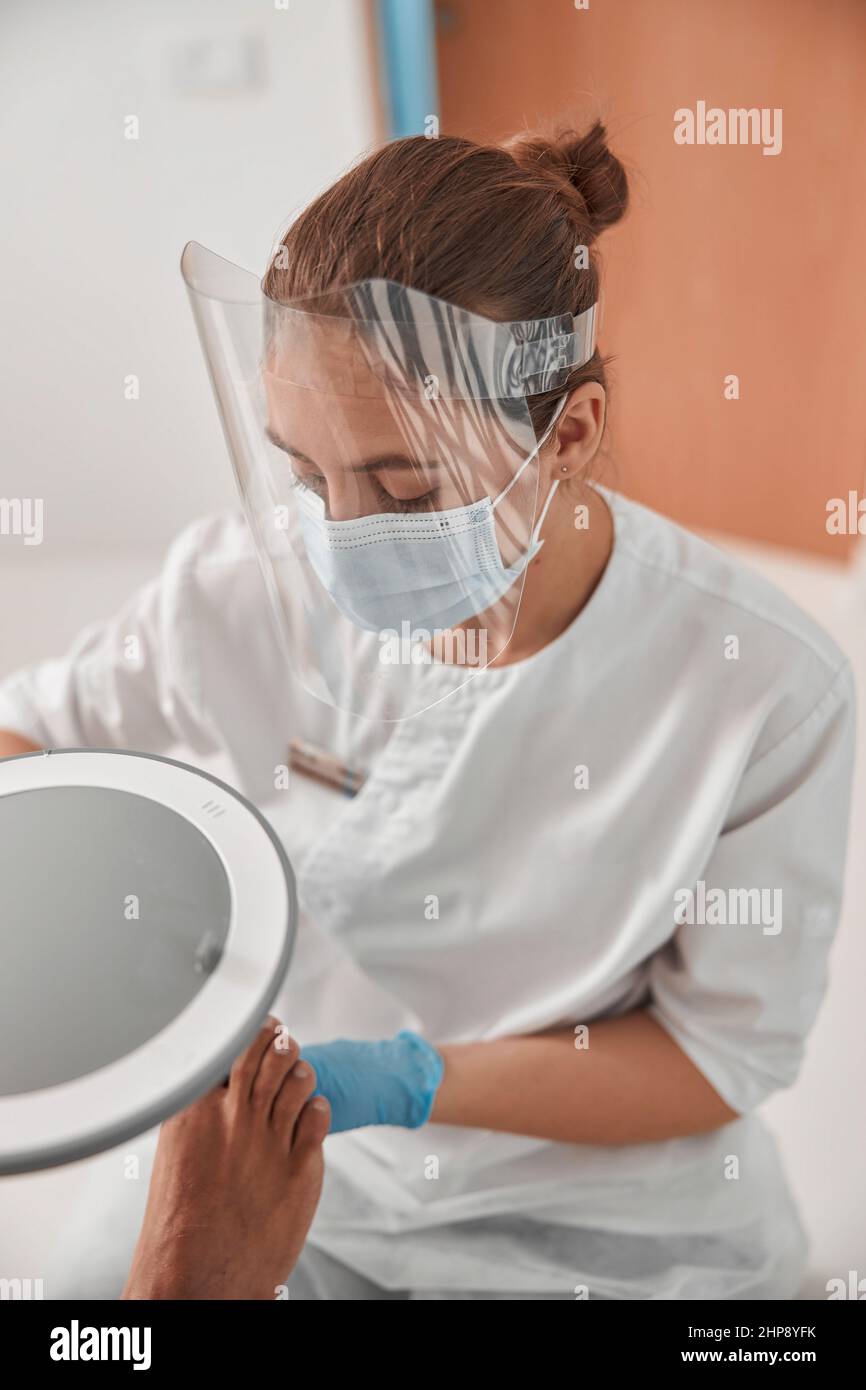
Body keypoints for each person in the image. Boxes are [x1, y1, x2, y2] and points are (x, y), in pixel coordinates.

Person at [0, 121, 855, 1300]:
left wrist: (401, 1080)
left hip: (604, 1216)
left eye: (403, 488)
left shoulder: (759, 682)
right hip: (270, 1147)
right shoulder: (244, 582)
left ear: (569, 435)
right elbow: (34, 738)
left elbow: (714, 1053)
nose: (338, 538)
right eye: (305, 474)